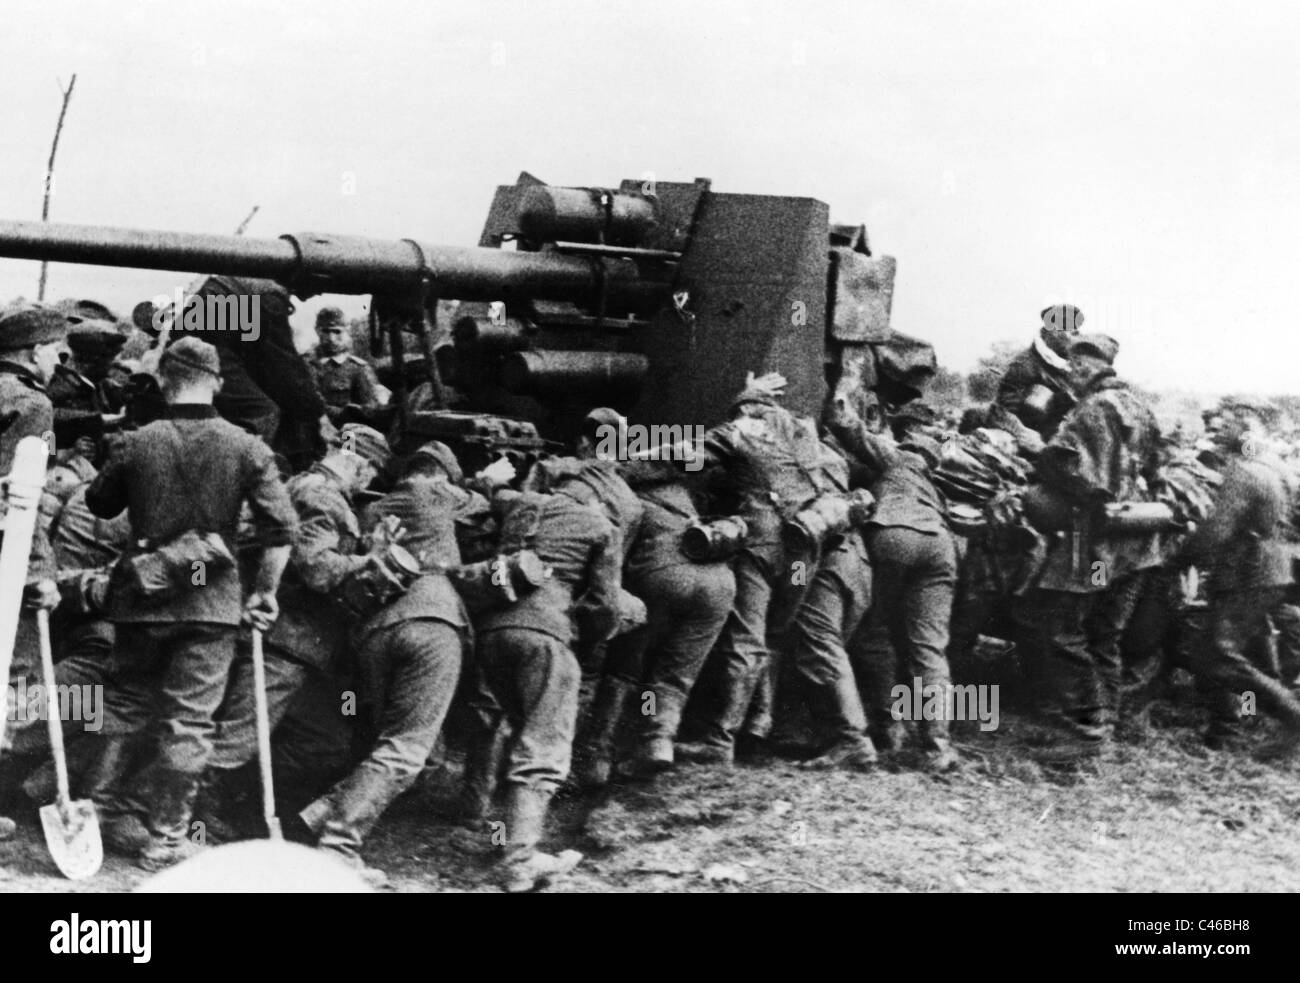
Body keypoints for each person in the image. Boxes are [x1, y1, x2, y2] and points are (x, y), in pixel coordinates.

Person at [83, 336, 297, 870]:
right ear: (218, 383)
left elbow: (100, 503)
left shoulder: (137, 441)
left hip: (143, 597)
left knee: (124, 705)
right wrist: (264, 594)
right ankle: (166, 836)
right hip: (211, 606)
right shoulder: (247, 446)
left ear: (161, 382)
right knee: (188, 721)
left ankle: (99, 813)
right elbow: (282, 530)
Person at [198, 424, 391, 842]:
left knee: (323, 741)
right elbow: (317, 569)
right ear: (359, 462)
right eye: (372, 471)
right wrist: (370, 561)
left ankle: (247, 807)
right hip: (287, 641)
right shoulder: (323, 497)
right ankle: (191, 820)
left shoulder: (309, 486)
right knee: (239, 736)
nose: (371, 482)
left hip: (306, 648)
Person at [299, 442, 473, 881]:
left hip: (375, 631)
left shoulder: (370, 512)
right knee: (406, 747)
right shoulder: (436, 493)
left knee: (400, 744)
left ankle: (320, 814)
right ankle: (338, 848)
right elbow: (484, 502)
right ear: (438, 475)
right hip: (431, 620)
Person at [470, 468, 621, 891]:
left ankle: (501, 836)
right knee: (543, 747)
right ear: (595, 498)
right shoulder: (600, 525)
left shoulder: (520, 503)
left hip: (492, 634)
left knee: (519, 730)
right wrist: (589, 639)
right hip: (546, 637)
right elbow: (606, 605)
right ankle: (519, 862)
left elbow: (487, 493)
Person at [1015, 334, 1162, 753]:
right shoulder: (1140, 406)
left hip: (1098, 545)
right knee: (1105, 634)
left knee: (1060, 629)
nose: (1071, 373)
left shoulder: (1093, 408)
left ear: (1086, 365)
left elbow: (1066, 466)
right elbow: (1156, 470)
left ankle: (1088, 731)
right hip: (1138, 541)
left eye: (1074, 366)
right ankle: (1106, 726)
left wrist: (1036, 450)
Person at [828, 399, 961, 771]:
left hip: (895, 535)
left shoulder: (899, 456)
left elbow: (850, 431)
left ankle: (889, 726)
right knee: (929, 649)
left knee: (877, 631)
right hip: (940, 546)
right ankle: (936, 747)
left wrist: (841, 403)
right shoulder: (938, 481)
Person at [1182, 401, 1300, 746]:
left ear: (1246, 428)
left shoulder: (1244, 470)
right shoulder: (1278, 467)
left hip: (1246, 570)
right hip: (1274, 569)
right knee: (1247, 650)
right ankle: (1231, 727)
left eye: (1226, 424)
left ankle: (1291, 715)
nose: (1218, 429)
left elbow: (1215, 531)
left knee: (1215, 653)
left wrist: (1183, 558)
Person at [0, 303, 66, 841]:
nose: (60, 358)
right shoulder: (31, 404)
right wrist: (39, 572)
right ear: (32, 351)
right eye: (54, 349)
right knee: (14, 684)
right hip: (6, 563)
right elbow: (25, 499)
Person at [994, 304, 1084, 440]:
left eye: (1076, 329)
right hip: (1027, 440)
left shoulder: (1073, 369)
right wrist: (1030, 438)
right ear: (1052, 330)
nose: (1075, 334)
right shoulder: (1025, 365)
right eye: (1068, 327)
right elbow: (1005, 412)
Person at [46, 321, 128, 459]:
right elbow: (46, 428)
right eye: (111, 359)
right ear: (93, 360)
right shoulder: (60, 388)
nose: (116, 364)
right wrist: (66, 453)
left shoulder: (98, 385)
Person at [312, 307, 381, 424]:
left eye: (337, 331)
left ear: (347, 331)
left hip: (345, 430)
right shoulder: (305, 363)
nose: (331, 338)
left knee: (350, 439)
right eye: (325, 331)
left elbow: (371, 410)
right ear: (317, 331)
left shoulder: (358, 368)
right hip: (311, 431)